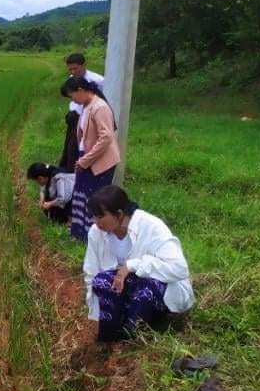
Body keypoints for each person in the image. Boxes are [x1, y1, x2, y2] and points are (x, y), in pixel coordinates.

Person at [83, 185, 194, 341]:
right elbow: (91, 271)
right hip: (127, 289)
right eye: (93, 216)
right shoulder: (96, 232)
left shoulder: (151, 226)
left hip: (159, 292)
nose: (95, 221)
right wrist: (95, 312)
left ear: (119, 214)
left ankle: (134, 336)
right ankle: (110, 339)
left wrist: (133, 265)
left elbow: (179, 268)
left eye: (100, 216)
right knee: (100, 281)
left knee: (146, 288)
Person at [63, 76, 120, 240]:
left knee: (95, 198)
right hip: (86, 158)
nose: (72, 99)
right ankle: (81, 232)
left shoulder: (100, 107)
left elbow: (106, 138)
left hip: (99, 161)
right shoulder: (87, 106)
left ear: (80, 90)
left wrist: (85, 160)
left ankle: (95, 236)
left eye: (72, 95)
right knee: (81, 194)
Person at [60, 53, 106, 171]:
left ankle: (82, 167)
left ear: (84, 65)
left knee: (83, 146)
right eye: (70, 69)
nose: (73, 72)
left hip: (89, 118)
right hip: (75, 117)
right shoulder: (71, 79)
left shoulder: (98, 80)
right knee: (70, 148)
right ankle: (70, 171)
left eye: (75, 68)